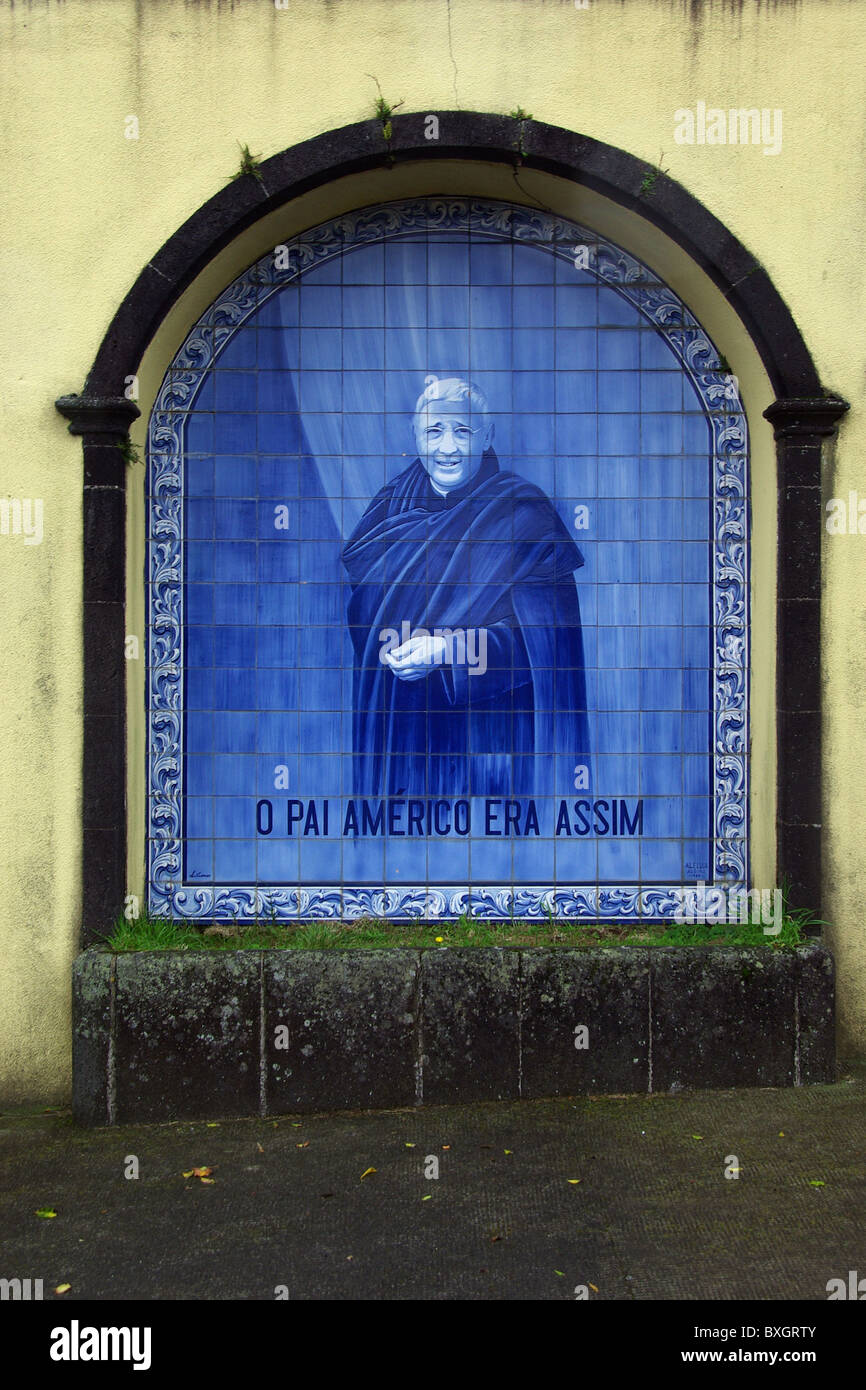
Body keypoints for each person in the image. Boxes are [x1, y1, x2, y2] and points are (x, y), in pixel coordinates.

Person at [341, 377, 590, 799]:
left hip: (490, 738)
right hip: (401, 729)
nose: (449, 448)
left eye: (464, 431)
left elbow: (547, 647)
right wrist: (393, 649)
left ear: (487, 435)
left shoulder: (522, 515)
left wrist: (446, 651)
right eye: (434, 431)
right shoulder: (389, 507)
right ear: (416, 437)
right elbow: (366, 612)